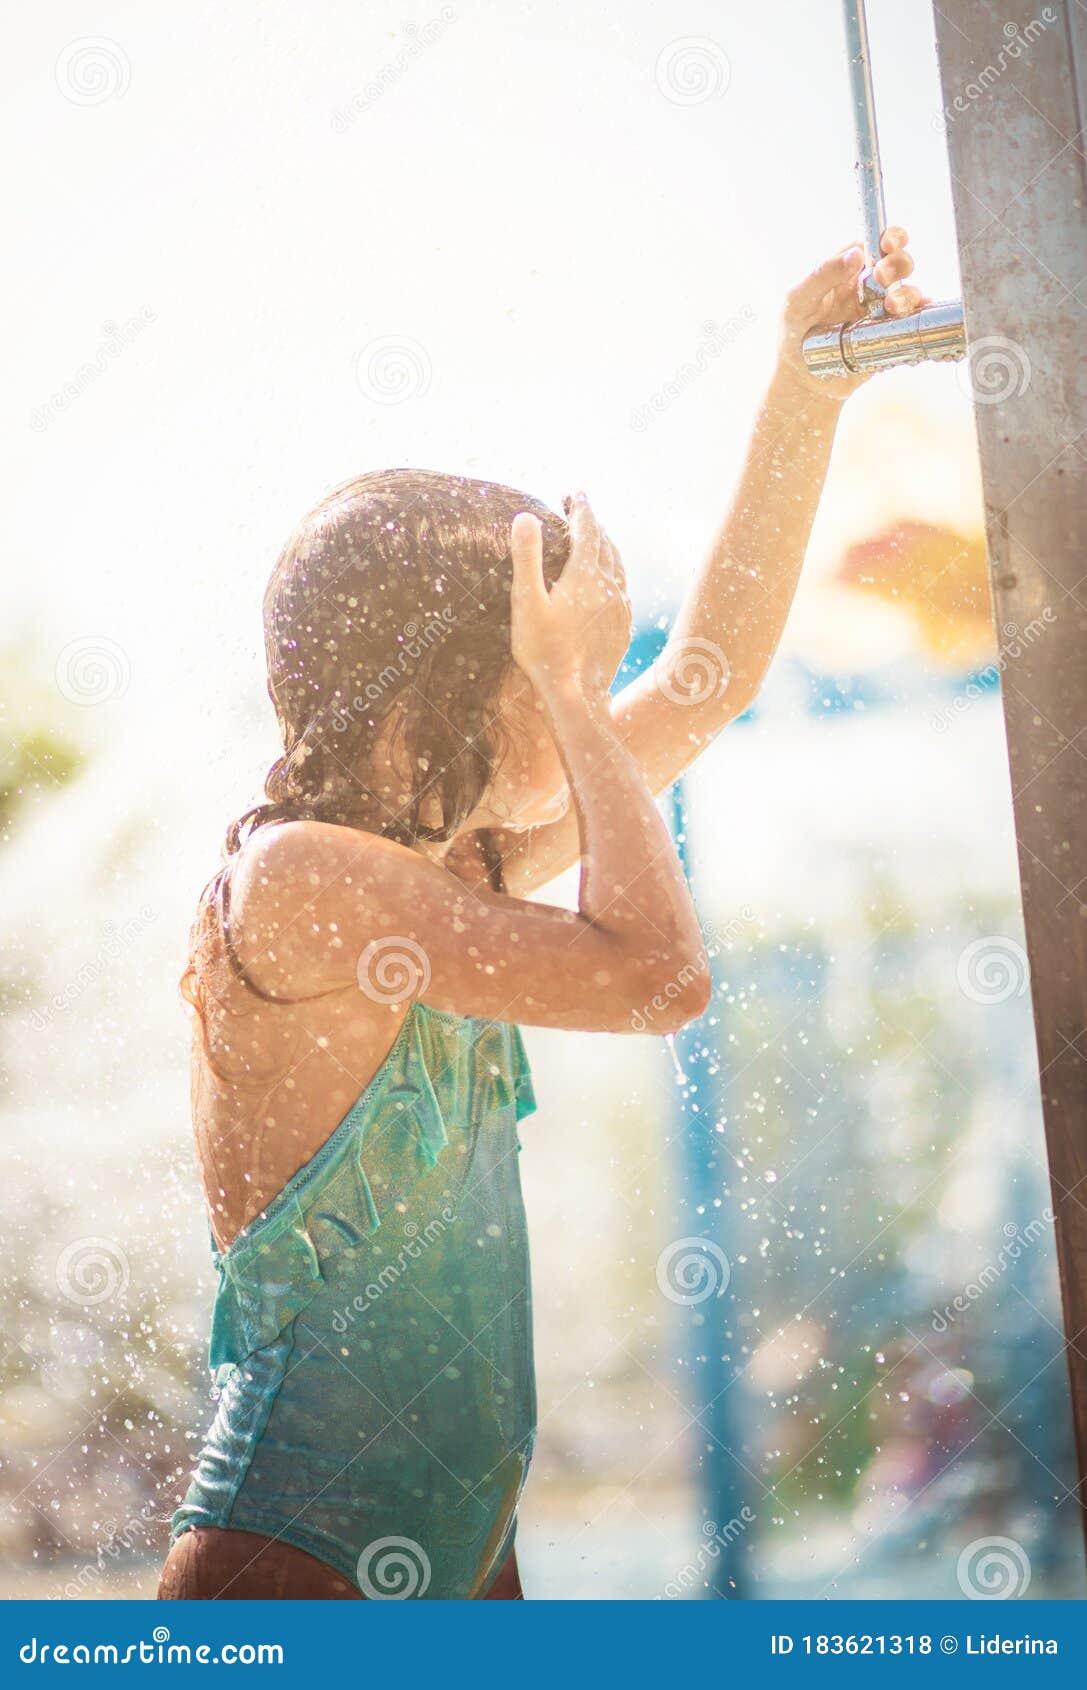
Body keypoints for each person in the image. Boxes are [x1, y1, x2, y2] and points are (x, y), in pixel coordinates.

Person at [158, 232, 925, 1600]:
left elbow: (703, 680)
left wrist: (804, 389)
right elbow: (655, 980)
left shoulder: (453, 871)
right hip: (300, 1558)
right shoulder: (302, 881)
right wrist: (577, 698)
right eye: (542, 665)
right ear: (426, 700)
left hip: (464, 1545)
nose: (583, 687)